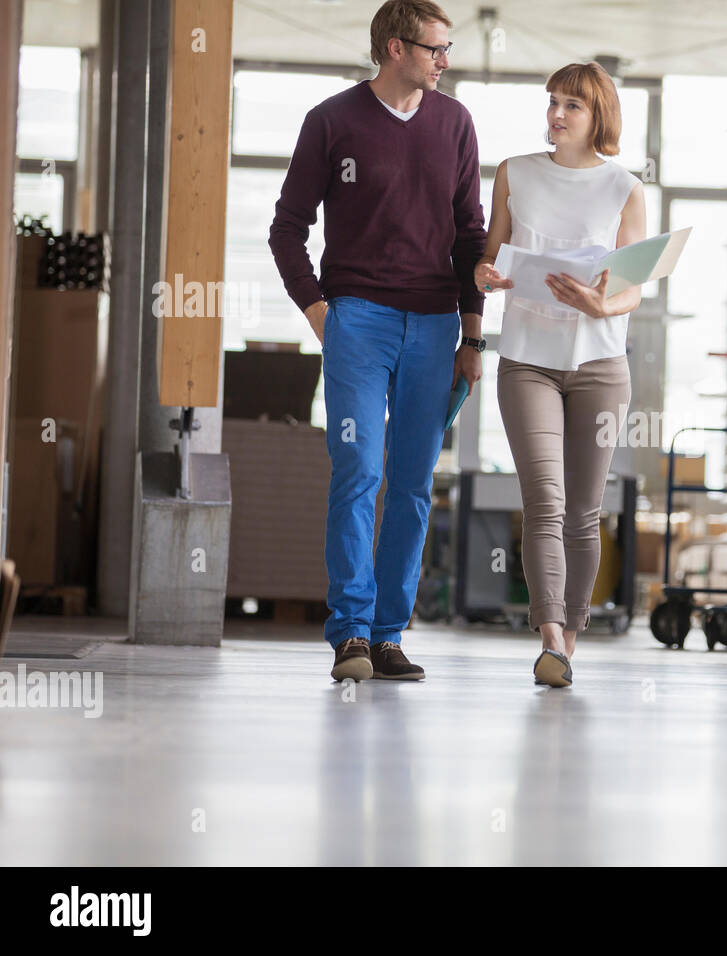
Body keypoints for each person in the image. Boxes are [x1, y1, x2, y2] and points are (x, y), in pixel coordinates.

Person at [268, 0, 487, 682]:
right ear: (395, 48)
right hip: (357, 319)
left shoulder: (455, 123)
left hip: (434, 324)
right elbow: (287, 228)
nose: (445, 61)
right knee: (359, 470)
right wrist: (319, 312)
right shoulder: (331, 120)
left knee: (415, 484)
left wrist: (472, 332)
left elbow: (471, 234)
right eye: (435, 49)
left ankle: (390, 634)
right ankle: (352, 633)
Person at [475, 62, 647, 688]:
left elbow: (630, 291)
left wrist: (602, 303)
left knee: (583, 512)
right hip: (528, 361)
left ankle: (568, 643)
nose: (556, 114)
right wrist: (483, 275)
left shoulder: (625, 188)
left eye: (572, 105)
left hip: (602, 366)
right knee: (543, 503)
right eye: (552, 102)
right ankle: (549, 635)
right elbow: (490, 254)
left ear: (597, 114)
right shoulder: (514, 173)